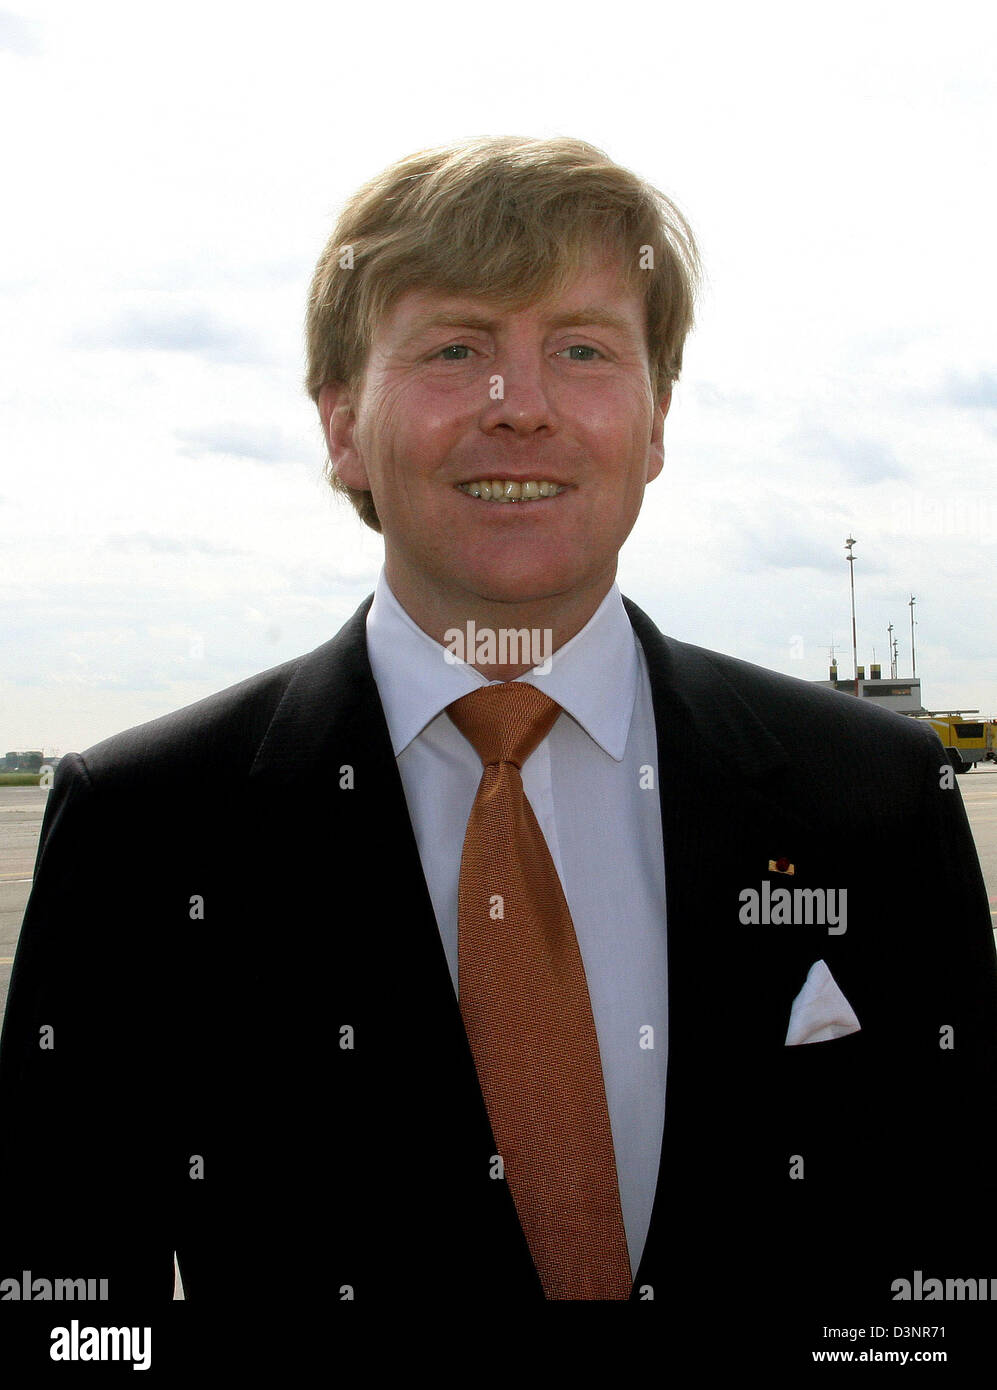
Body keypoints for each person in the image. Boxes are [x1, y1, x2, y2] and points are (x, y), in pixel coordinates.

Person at [1, 136, 995, 1361]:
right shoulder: (146, 829)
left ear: (656, 423)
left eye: (581, 349)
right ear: (342, 427)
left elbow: (948, 1264)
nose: (518, 403)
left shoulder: (877, 797)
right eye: (455, 348)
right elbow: (66, 1306)